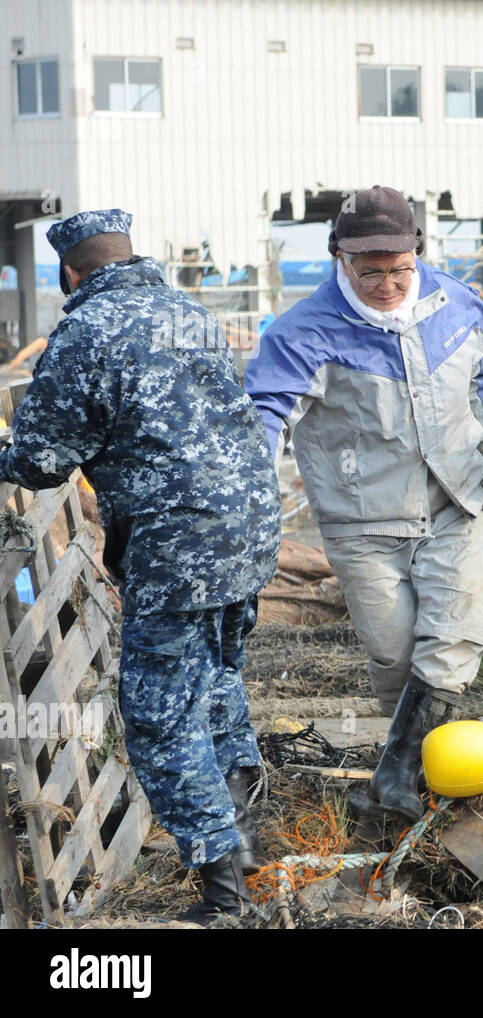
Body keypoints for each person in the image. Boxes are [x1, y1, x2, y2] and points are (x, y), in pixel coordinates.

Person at [0, 209, 281, 923]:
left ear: (71, 272)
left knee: (157, 717)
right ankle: (249, 837)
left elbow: (38, 461)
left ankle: (225, 895)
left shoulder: (85, 332)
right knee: (217, 677)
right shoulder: (190, 311)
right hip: (247, 530)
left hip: (178, 545)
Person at [244, 186, 483, 822]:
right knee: (393, 653)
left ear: (418, 253)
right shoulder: (303, 331)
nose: (387, 285)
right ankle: (414, 766)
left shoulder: (459, 305)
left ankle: (400, 780)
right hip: (363, 524)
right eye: (371, 273)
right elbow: (265, 416)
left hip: (453, 504)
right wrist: (249, 492)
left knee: (452, 642)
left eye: (399, 270)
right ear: (340, 258)